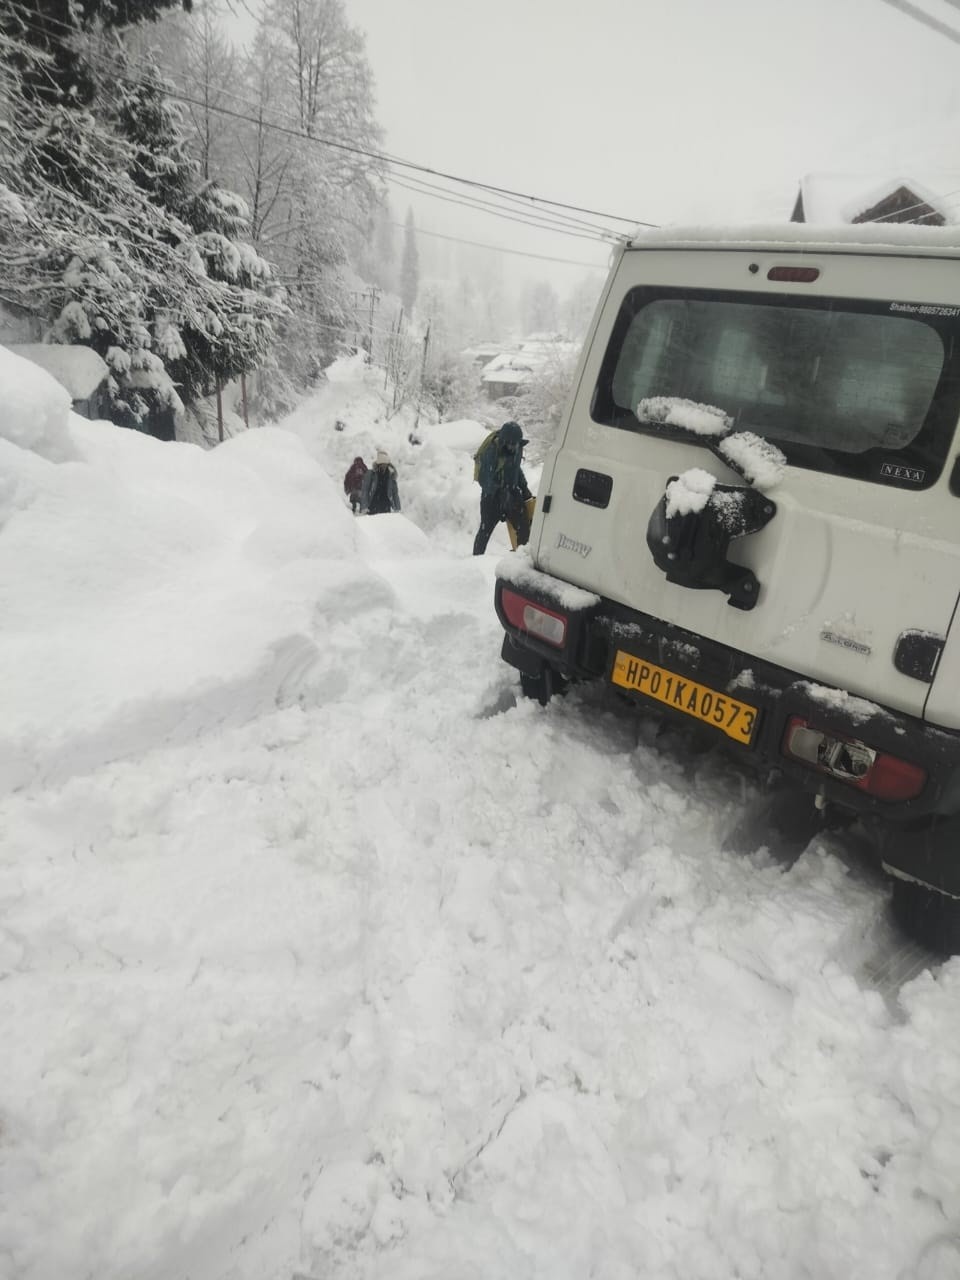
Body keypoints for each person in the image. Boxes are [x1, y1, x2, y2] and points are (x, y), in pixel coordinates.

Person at [472, 421, 534, 555]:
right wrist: (499, 491)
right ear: (503, 441)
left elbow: (516, 470)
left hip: (512, 493)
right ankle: (475, 561)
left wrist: (524, 488)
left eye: (516, 444)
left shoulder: (518, 447)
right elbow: (484, 478)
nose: (513, 447)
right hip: (491, 498)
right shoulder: (491, 451)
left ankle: (521, 560)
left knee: (523, 528)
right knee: (485, 530)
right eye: (510, 444)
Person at [360, 448, 401, 515]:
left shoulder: (391, 475)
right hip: (373, 504)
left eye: (385, 464)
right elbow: (365, 490)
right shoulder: (371, 474)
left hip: (386, 505)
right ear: (379, 464)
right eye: (382, 464)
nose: (384, 466)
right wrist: (364, 507)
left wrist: (397, 508)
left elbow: (395, 493)